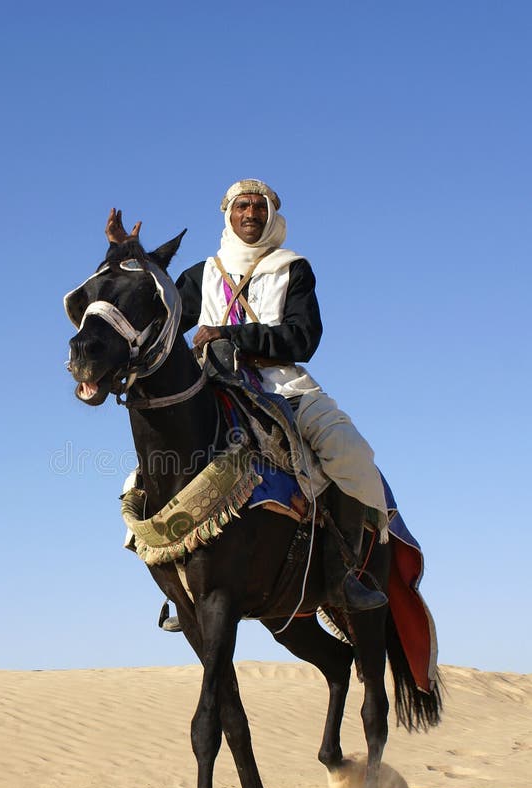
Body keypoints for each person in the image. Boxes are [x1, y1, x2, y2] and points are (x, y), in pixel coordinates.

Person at [105, 179, 389, 622]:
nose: (250, 213)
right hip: (213, 385)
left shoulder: (292, 268)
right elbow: (156, 310)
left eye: (259, 206)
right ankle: (181, 586)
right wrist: (129, 258)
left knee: (349, 452)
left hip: (283, 386)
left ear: (272, 216)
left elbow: (304, 337)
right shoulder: (204, 274)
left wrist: (232, 334)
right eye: (242, 206)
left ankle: (346, 574)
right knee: (143, 478)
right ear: (228, 214)